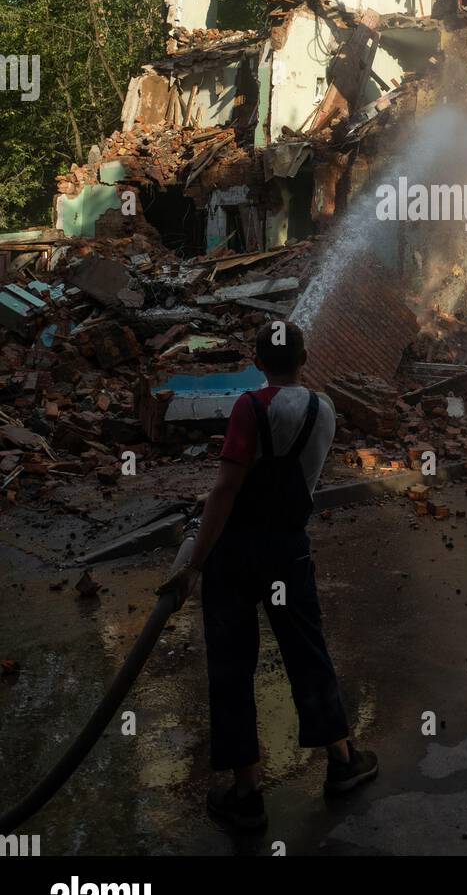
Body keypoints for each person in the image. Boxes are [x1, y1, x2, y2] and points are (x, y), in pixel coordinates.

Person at [157, 320, 378, 831]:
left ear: (258, 361)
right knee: (307, 651)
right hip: (288, 551)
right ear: (305, 359)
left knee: (232, 666)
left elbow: (226, 491)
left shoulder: (248, 408)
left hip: (235, 555)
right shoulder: (325, 410)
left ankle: (248, 789)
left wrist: (193, 564)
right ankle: (343, 759)